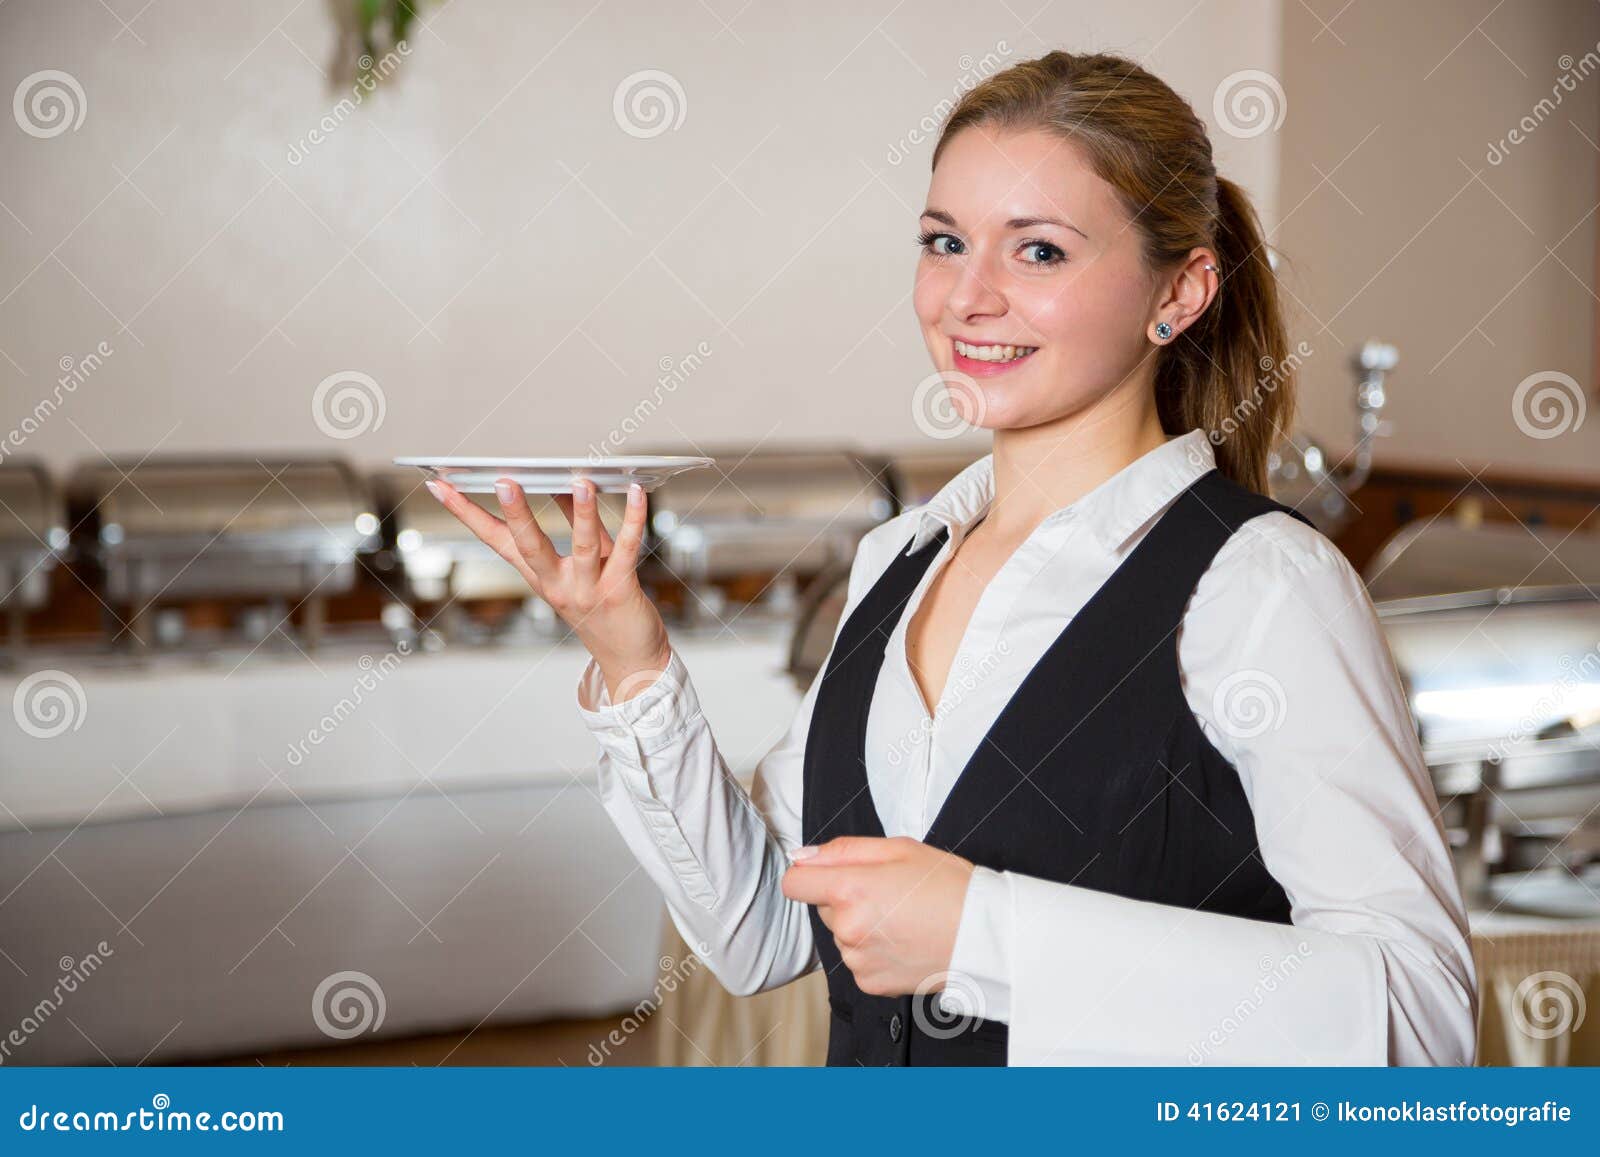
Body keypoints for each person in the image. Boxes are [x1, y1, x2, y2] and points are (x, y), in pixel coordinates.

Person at [427, 49, 1477, 1066]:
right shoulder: (897, 561)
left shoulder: (1260, 586)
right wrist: (631, 658)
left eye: (1039, 251)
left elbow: (1421, 1021)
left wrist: (987, 933)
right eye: (943, 241)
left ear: (1180, 293)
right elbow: (763, 931)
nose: (968, 298)